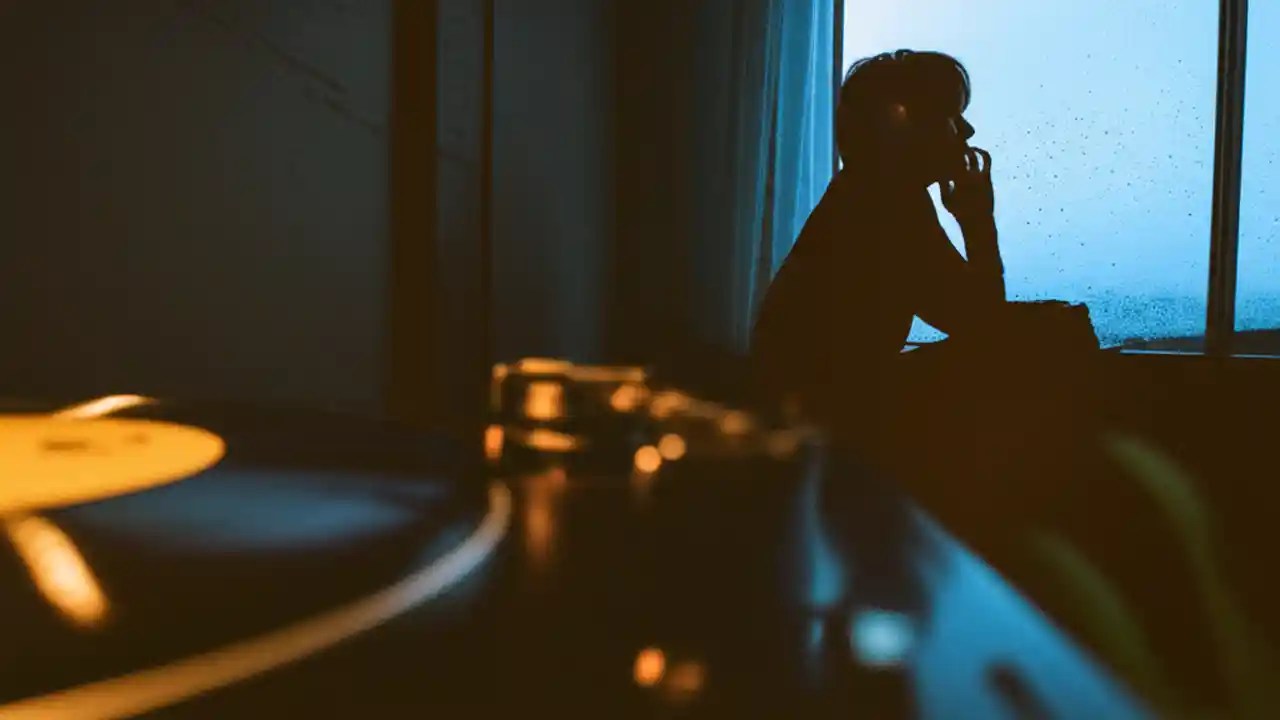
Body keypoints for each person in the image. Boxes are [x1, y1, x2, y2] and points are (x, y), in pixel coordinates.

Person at [749, 49, 1008, 468]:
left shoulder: (866, 192)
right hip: (826, 439)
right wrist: (978, 223)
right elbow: (980, 320)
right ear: (907, 125)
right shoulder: (888, 203)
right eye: (951, 115)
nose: (967, 129)